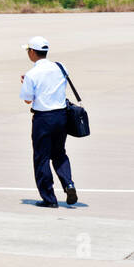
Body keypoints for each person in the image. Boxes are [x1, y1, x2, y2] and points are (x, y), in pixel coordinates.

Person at [18, 35, 78, 208]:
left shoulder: (31, 74)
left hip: (43, 119)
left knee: (42, 157)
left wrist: (25, 82)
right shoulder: (60, 67)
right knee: (59, 153)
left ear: (32, 52)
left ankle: (49, 199)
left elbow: (28, 100)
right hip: (61, 116)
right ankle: (69, 184)